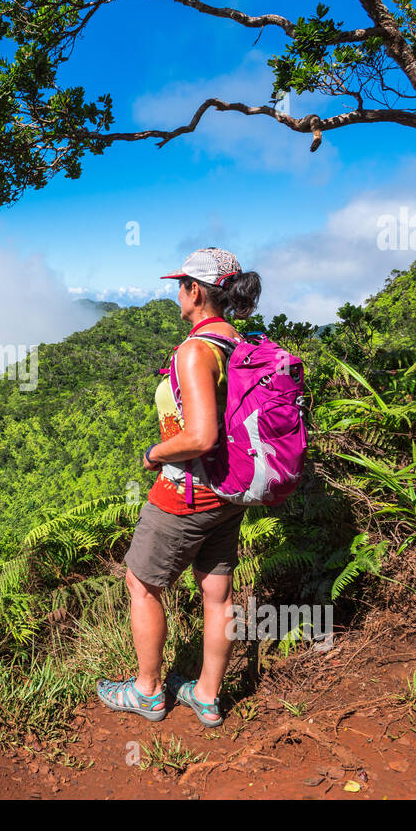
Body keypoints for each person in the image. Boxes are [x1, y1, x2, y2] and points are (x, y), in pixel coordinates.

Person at [96, 247, 262, 726]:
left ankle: (148, 692)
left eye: (180, 285)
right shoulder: (240, 343)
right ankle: (207, 695)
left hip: (187, 493)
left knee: (142, 585)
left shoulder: (195, 351)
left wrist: (153, 454)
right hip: (230, 491)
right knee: (218, 595)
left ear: (195, 290)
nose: (176, 294)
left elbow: (200, 436)